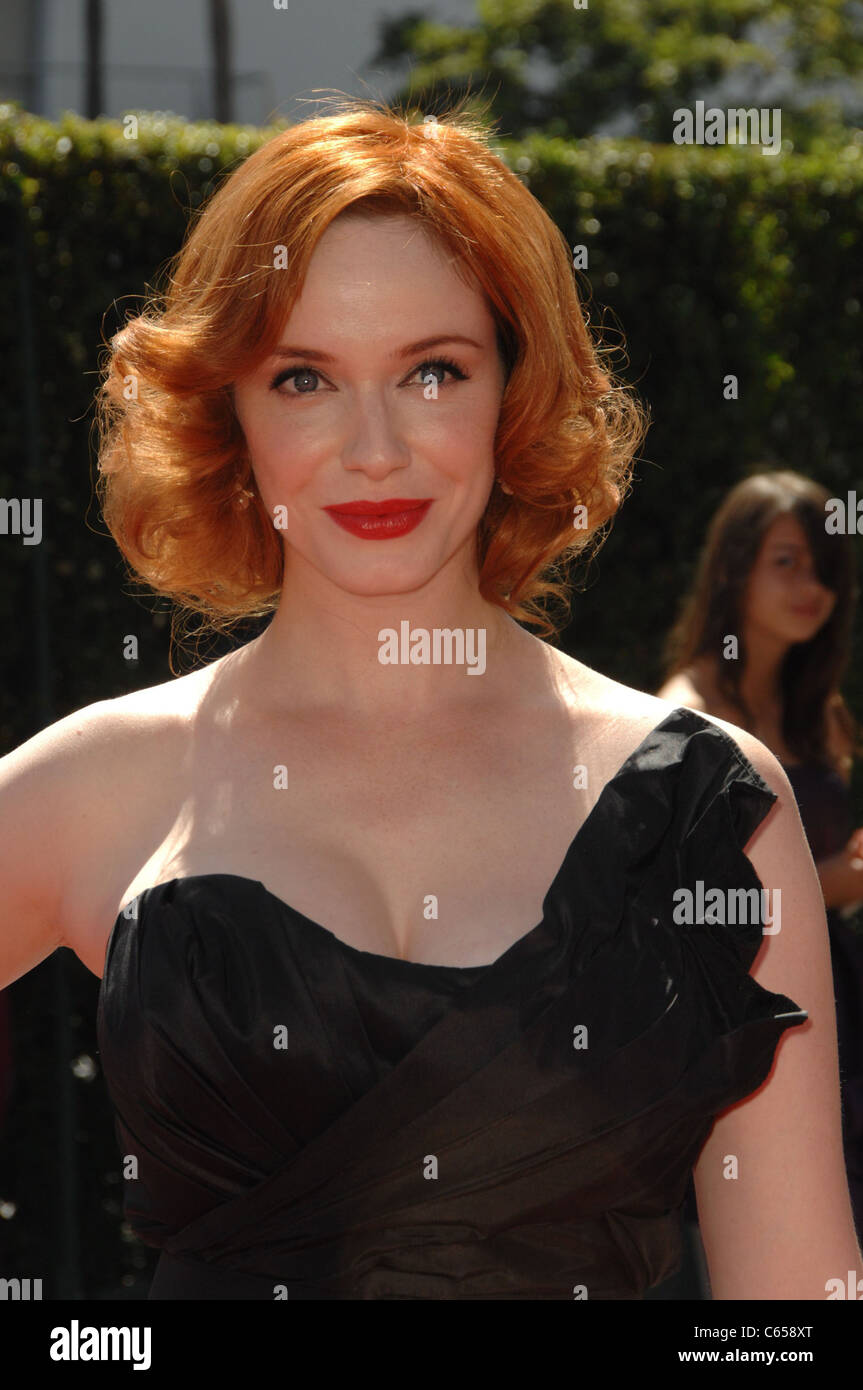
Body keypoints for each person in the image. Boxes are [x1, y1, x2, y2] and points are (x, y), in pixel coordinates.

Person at [0, 100, 859, 1301]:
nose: (373, 447)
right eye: (303, 376)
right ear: (227, 410)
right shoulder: (92, 787)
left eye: (431, 372)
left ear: (512, 390)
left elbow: (793, 1300)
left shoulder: (707, 811)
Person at [658, 469, 863, 1244]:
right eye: (786, 560)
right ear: (732, 567)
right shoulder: (689, 711)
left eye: (824, 567)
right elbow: (685, 898)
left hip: (833, 1000)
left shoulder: (823, 717)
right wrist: (835, 878)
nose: (811, 585)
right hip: (735, 1021)